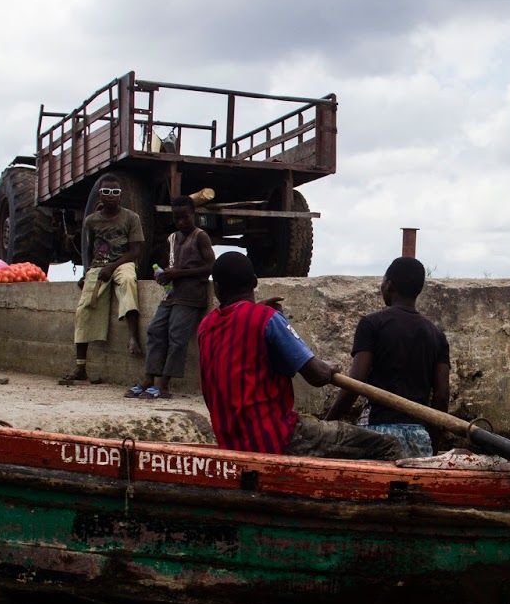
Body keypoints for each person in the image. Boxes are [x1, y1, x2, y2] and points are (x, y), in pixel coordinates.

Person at [198, 252, 401, 459]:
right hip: (276, 438)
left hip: (231, 440)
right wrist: (328, 367)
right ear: (254, 281)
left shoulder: (206, 326)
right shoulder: (267, 319)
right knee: (388, 445)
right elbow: (317, 376)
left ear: (217, 289)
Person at [324, 256, 451, 457]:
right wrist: (432, 450)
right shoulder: (437, 336)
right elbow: (441, 398)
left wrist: (326, 424)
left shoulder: (371, 324)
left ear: (389, 285)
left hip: (377, 433)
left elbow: (355, 383)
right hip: (419, 436)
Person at [129, 196, 214, 399]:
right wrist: (164, 275)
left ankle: (164, 384)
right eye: (177, 218)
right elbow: (171, 264)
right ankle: (149, 379)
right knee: (155, 331)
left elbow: (211, 267)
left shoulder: (201, 237)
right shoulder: (172, 238)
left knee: (177, 336)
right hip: (173, 294)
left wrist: (178, 274)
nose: (181, 222)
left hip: (191, 295)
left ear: (193, 215)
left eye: (185, 217)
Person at [63, 174, 144, 383]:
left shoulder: (131, 217)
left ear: (121, 196)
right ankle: (80, 367)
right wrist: (87, 273)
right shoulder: (91, 221)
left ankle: (133, 338)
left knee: (128, 282)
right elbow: (89, 249)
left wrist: (112, 267)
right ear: (99, 195)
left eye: (115, 192)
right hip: (98, 267)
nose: (111, 196)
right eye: (106, 192)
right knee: (84, 308)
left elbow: (135, 250)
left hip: (123, 262)